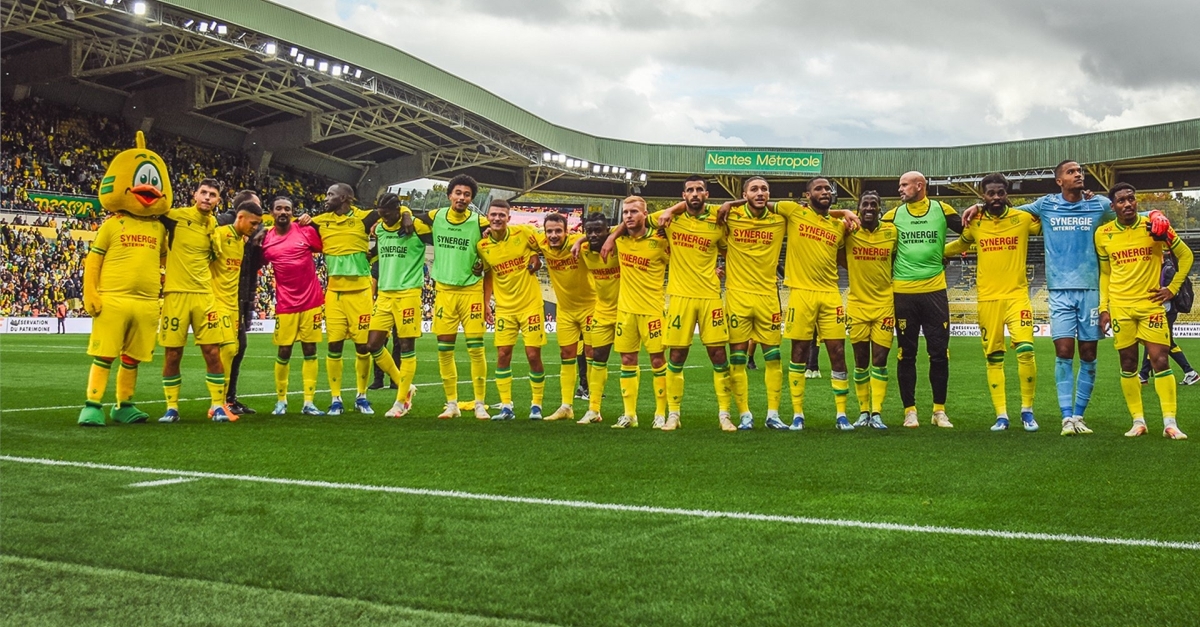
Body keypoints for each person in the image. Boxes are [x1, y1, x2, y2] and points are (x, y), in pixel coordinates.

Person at [969, 160, 1170, 435]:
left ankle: (1079, 416)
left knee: (1088, 354)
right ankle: (1065, 418)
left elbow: (1129, 213)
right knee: (1063, 351)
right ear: (1059, 180)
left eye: (1080, 172)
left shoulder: (1098, 204)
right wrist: (978, 207)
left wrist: (1156, 213)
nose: (1079, 175)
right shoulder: (1045, 205)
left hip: (1090, 289)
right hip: (1059, 290)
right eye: (1072, 172)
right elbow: (1005, 212)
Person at [1095, 183, 1192, 440]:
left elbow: (1187, 255)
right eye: (1121, 201)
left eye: (1131, 199)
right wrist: (1103, 307)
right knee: (1128, 363)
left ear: (1136, 202)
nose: (1127, 204)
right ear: (1112, 206)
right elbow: (1105, 274)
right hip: (1120, 306)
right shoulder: (1103, 234)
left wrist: (1171, 288)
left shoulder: (1155, 226)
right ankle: (1138, 421)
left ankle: (1170, 422)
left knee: (1160, 360)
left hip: (1151, 306)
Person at [943, 174, 1039, 432]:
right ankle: (1002, 415)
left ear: (1007, 193)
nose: (995, 197)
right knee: (994, 357)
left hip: (1017, 296)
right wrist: (933, 253)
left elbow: (1052, 219)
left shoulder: (1023, 219)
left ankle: (1027, 411)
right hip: (987, 299)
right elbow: (961, 244)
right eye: (990, 194)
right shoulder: (975, 221)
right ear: (982, 196)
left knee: (1026, 350)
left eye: (1000, 193)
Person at [644, 176, 731, 431]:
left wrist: (721, 268)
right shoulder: (670, 219)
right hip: (680, 297)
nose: (695, 194)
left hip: (710, 297)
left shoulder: (717, 222)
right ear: (683, 195)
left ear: (707, 194)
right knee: (677, 356)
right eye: (690, 190)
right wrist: (671, 209)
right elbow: (638, 220)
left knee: (718, 356)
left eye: (699, 190)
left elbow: (729, 251)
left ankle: (724, 414)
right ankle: (674, 414)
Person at [884, 171, 963, 429]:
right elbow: (869, 234)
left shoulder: (942, 209)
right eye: (900, 185)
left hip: (935, 292)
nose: (900, 189)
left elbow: (972, 232)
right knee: (906, 353)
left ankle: (939, 411)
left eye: (904, 185)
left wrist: (945, 251)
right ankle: (910, 411)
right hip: (903, 293)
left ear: (920, 185)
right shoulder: (893, 216)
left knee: (939, 354)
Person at [77, 211, 167, 426]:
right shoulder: (111, 225)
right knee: (104, 355)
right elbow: (94, 260)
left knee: (132, 358)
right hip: (113, 298)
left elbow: (166, 260)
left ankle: (124, 405)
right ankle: (93, 404)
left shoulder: (159, 228)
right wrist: (91, 293)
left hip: (146, 302)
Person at [411, 175, 491, 420]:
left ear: (471, 198)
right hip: (444, 291)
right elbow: (409, 222)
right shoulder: (436, 217)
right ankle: (451, 404)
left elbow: (495, 245)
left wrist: (481, 264)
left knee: (476, 350)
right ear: (449, 195)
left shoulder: (480, 222)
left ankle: (479, 403)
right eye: (458, 193)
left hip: (471, 292)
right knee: (445, 349)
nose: (462, 198)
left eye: (467, 194)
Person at [297, 183, 380, 415]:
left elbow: (394, 207)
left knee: (363, 347)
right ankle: (336, 399)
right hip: (334, 293)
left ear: (345, 197)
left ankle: (362, 396)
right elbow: (291, 226)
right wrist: (302, 218)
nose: (326, 198)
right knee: (334, 346)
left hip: (361, 292)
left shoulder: (363, 218)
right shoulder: (321, 220)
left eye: (331, 194)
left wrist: (404, 216)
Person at [777, 179, 853, 430]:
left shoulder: (839, 227)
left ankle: (841, 415)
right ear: (806, 194)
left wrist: (846, 213)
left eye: (827, 189)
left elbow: (845, 257)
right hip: (801, 293)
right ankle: (798, 414)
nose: (824, 192)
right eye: (818, 188)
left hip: (831, 295)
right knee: (798, 352)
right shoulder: (793, 211)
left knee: (838, 353)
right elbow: (757, 202)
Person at [158, 179, 233, 423]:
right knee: (172, 354)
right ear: (194, 195)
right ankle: (171, 408)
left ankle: (218, 405)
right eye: (204, 193)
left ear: (218, 201)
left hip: (204, 296)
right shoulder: (174, 217)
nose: (207, 197)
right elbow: (147, 213)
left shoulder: (214, 225)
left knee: (212, 352)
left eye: (213, 194)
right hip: (176, 294)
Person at [718, 176, 788, 429]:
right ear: (744, 194)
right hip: (737, 297)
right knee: (737, 358)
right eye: (754, 189)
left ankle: (773, 414)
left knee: (774, 358)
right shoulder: (731, 217)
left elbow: (814, 212)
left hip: (769, 298)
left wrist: (846, 209)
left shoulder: (781, 219)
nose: (760, 193)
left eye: (765, 189)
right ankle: (745, 414)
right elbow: (697, 207)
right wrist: (729, 204)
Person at [473, 199, 546, 420]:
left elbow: (540, 254)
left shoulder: (523, 233)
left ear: (508, 218)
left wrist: (535, 261)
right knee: (503, 354)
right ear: (488, 216)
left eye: (501, 215)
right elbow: (487, 275)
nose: (497, 219)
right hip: (504, 308)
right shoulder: (482, 246)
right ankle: (506, 406)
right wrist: (486, 303)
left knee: (533, 355)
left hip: (530, 305)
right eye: (493, 215)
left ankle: (536, 405)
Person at [261, 196, 325, 416]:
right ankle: (281, 401)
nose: (283, 212)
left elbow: (324, 244)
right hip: (286, 304)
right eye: (278, 208)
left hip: (312, 301)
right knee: (284, 351)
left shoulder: (305, 231)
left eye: (287, 209)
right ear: (271, 212)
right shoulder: (266, 239)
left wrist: (314, 222)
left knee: (310, 349)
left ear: (293, 212)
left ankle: (309, 402)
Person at [610, 197, 669, 429]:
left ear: (645, 214)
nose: (628, 216)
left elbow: (683, 260)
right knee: (627, 360)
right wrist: (611, 238)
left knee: (657, 360)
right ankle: (629, 415)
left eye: (634, 211)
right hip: (625, 311)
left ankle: (661, 413)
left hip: (652, 310)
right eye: (625, 212)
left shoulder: (660, 242)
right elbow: (596, 235)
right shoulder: (620, 240)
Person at [842, 191, 896, 430]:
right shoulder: (848, 231)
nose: (870, 208)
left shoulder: (892, 232)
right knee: (861, 361)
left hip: (885, 304)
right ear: (858, 208)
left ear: (880, 208)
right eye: (865, 204)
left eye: (874, 204)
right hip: (857, 305)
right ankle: (863, 411)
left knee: (880, 360)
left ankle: (877, 413)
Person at [538, 211, 596, 422]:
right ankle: (566, 406)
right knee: (566, 355)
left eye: (558, 231)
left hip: (590, 307)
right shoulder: (542, 243)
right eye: (549, 231)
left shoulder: (579, 242)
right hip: (565, 309)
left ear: (566, 231)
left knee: (591, 355)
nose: (553, 235)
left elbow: (607, 233)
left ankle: (594, 408)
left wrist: (581, 239)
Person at [210, 199, 264, 412]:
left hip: (236, 303)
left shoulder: (242, 242)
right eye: (253, 222)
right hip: (217, 302)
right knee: (226, 350)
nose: (256, 227)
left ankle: (226, 401)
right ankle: (218, 403)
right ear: (240, 215)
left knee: (234, 349)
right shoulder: (219, 233)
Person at [574, 212, 621, 425]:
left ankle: (634, 412)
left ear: (608, 230)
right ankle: (594, 409)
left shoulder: (621, 243)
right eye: (589, 231)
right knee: (597, 358)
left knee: (632, 359)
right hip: (602, 310)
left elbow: (630, 226)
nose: (593, 235)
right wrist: (579, 239)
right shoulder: (584, 250)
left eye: (598, 230)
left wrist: (611, 238)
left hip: (627, 309)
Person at [1139, 252, 1200, 385]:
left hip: (1167, 311)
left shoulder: (1168, 270)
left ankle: (1190, 372)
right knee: (1152, 339)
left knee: (1163, 342)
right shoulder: (1162, 268)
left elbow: (1170, 292)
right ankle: (1143, 374)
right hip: (1160, 310)